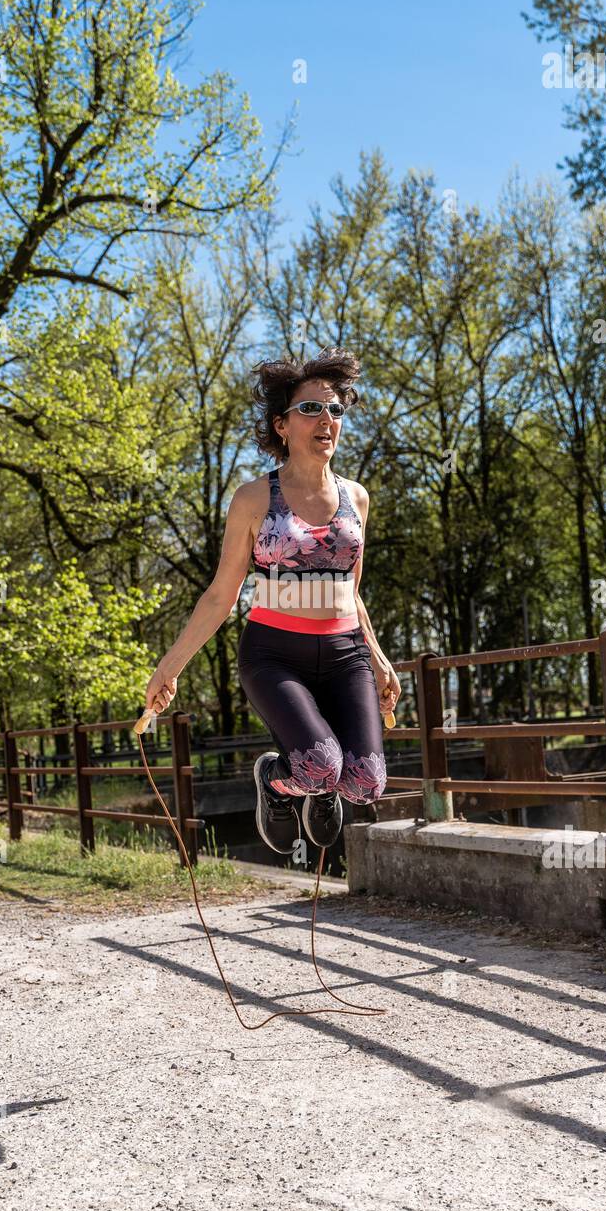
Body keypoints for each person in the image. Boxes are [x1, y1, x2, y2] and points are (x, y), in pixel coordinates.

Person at [144, 347, 400, 857]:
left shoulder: (357, 498)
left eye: (335, 409)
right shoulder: (254, 499)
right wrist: (168, 669)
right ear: (282, 425)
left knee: (367, 782)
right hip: (275, 654)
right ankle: (277, 782)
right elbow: (221, 594)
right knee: (320, 765)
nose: (326, 419)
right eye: (310, 408)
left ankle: (322, 787)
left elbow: (350, 591)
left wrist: (378, 658)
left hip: (345, 653)